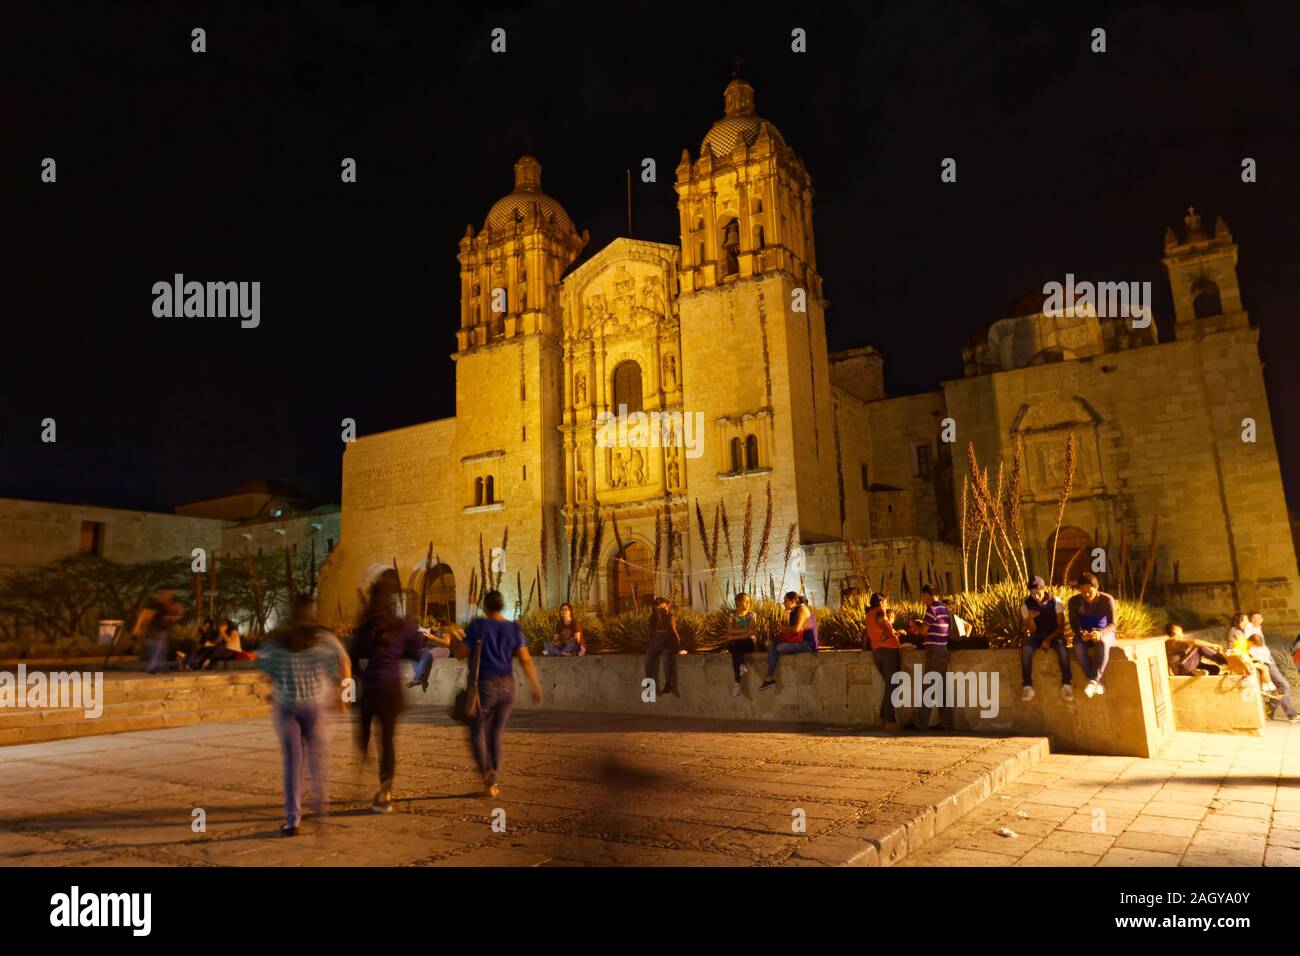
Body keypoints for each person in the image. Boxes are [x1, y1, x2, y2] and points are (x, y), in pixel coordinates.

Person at [255, 595, 351, 837]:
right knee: (318, 760)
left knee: (292, 762)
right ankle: (321, 809)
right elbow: (344, 661)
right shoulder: (324, 639)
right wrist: (345, 696)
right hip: (316, 706)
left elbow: (266, 671)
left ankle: (292, 821)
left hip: (286, 707)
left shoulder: (276, 643)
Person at [453, 590, 542, 797]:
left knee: (476, 732)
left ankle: (487, 772)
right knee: (495, 733)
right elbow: (525, 659)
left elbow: (460, 654)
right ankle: (492, 783)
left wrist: (456, 638)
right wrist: (535, 687)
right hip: (508, 687)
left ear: (485, 607)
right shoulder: (513, 628)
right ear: (502, 606)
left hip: (484, 687)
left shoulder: (478, 626)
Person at [350, 574, 426, 813]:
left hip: (371, 689)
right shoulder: (402, 624)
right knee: (387, 740)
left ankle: (363, 763)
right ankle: (386, 792)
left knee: (365, 733)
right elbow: (417, 652)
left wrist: (361, 674)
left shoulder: (365, 625)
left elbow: (352, 658)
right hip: (392, 691)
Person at [905, 584, 952, 729]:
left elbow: (923, 632)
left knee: (929, 686)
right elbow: (947, 629)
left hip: (934, 651)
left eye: (922, 595)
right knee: (941, 688)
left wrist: (915, 624)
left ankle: (920, 723)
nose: (922, 599)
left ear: (927, 594)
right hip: (943, 650)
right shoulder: (945, 609)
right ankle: (946, 723)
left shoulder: (932, 609)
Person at [1020, 575, 1073, 701]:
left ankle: (1067, 684)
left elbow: (1061, 626)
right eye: (1033, 594)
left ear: (1044, 588)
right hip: (1037, 635)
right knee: (1026, 650)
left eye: (1038, 593)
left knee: (1062, 649)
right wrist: (1030, 619)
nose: (1036, 596)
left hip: (1055, 634)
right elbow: (1032, 631)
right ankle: (1027, 686)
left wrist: (1048, 640)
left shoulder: (1056, 602)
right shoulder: (1026, 606)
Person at [1067, 572, 1117, 698]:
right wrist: (1080, 633)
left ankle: (1093, 680)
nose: (1086, 594)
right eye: (1082, 590)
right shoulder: (1074, 602)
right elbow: (1073, 623)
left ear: (1097, 587)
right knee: (1077, 646)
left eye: (1089, 590)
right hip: (1086, 634)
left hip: (1105, 632)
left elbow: (1113, 624)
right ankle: (1095, 683)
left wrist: (1100, 633)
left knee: (1103, 643)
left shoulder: (1107, 600)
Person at [759, 592, 818, 691]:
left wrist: (782, 628)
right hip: (800, 641)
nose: (783, 603)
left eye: (785, 600)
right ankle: (769, 678)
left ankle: (770, 678)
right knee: (774, 645)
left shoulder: (801, 610)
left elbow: (796, 630)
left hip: (808, 644)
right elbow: (793, 633)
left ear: (793, 601)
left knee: (779, 647)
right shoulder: (794, 611)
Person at [865, 593, 903, 730]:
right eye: (885, 602)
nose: (886, 605)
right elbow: (881, 619)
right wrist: (889, 632)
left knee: (889, 685)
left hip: (877, 652)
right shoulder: (879, 612)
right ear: (881, 602)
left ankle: (881, 718)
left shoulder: (869, 615)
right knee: (892, 684)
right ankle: (890, 720)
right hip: (889, 651)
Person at [137, 588, 182, 674]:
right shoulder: (154, 604)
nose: (169, 597)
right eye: (168, 595)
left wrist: (174, 617)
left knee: (161, 650)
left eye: (171, 595)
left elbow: (174, 616)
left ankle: (159, 667)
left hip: (161, 631)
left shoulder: (165, 606)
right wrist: (138, 628)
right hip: (154, 630)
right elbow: (144, 615)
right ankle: (153, 667)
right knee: (157, 649)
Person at [645, 596, 681, 696]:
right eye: (663, 606)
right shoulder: (654, 618)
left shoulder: (669, 616)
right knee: (648, 657)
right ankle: (648, 683)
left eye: (666, 606)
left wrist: (678, 643)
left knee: (665, 655)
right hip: (658, 642)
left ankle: (668, 683)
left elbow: (674, 630)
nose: (666, 607)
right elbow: (650, 632)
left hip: (669, 641)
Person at [408, 620, 458, 692]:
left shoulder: (444, 629)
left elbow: (447, 642)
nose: (432, 622)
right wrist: (425, 636)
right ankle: (423, 679)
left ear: (439, 622)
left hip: (443, 649)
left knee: (425, 656)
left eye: (434, 620)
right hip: (430, 649)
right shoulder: (433, 629)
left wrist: (432, 637)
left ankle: (416, 680)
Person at [1164, 623, 1229, 676]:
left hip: (1183, 668)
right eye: (1180, 631)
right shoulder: (1173, 642)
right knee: (1199, 647)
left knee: (1214, 669)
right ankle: (1226, 662)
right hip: (1182, 668)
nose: (1182, 634)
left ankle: (1197, 673)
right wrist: (1213, 645)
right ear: (1175, 630)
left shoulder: (1173, 643)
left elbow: (1189, 653)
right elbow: (1195, 642)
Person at [724, 593, 757, 697]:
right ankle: (741, 667)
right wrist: (745, 632)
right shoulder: (731, 615)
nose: (748, 603)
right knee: (734, 647)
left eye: (749, 601)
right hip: (736, 643)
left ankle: (737, 682)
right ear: (738, 602)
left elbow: (751, 632)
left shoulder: (752, 615)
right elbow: (729, 630)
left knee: (735, 646)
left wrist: (734, 636)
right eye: (745, 601)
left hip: (748, 643)